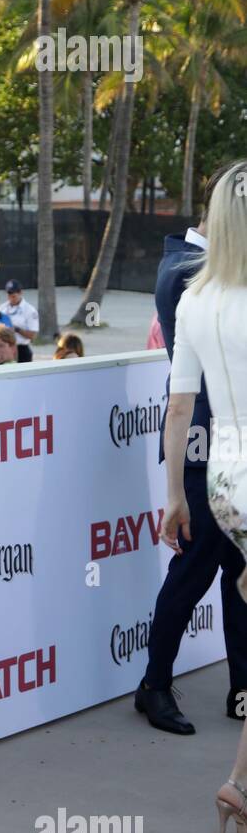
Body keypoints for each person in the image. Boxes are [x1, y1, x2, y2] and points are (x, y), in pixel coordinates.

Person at [137, 160, 247, 736]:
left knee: (234, 570)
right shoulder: (187, 269)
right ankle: (154, 684)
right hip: (203, 448)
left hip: (222, 449)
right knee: (196, 568)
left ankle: (241, 686)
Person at [0, 280, 38, 362]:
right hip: (5, 348)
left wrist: (17, 329)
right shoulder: (2, 308)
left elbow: (33, 335)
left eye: (13, 296)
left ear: (20, 293)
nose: (11, 298)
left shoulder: (30, 310)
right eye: (9, 295)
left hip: (22, 349)